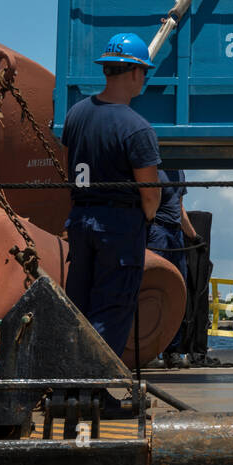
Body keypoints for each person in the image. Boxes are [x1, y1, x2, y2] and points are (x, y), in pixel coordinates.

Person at [61, 33, 161, 387]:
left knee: (80, 307)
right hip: (118, 226)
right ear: (134, 72)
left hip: (80, 219)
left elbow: (70, 165)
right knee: (112, 309)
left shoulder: (76, 114)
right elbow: (150, 193)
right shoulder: (137, 128)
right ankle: (94, 393)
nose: (145, 79)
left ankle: (70, 387)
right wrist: (147, 219)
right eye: (144, 73)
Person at [147, 168, 199, 367]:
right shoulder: (154, 170)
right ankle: (150, 351)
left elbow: (180, 207)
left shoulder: (180, 173)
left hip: (175, 234)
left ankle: (172, 351)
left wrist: (193, 236)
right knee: (154, 289)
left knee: (178, 291)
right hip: (157, 230)